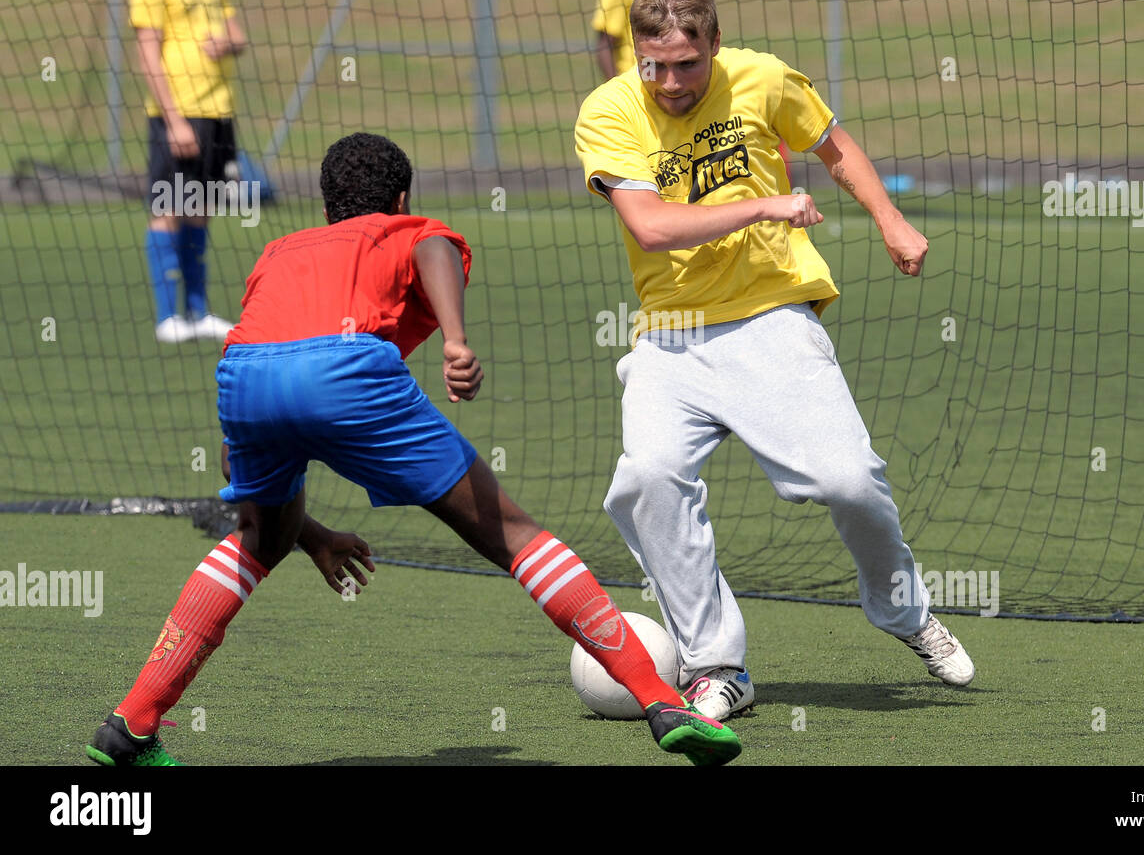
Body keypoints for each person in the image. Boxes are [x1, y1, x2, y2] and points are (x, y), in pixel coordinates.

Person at [86, 132, 741, 767]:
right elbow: (433, 245)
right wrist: (456, 341)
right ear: (400, 200)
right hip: (346, 372)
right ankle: (661, 701)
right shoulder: (405, 229)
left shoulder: (281, 251)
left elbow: (240, 454)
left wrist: (308, 536)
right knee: (512, 534)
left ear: (323, 208)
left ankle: (131, 724)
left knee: (257, 539)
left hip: (245, 378)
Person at [573, 0, 975, 722]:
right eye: (652, 64)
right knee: (648, 480)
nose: (668, 81)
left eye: (686, 64)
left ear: (715, 45)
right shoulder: (608, 110)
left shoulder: (761, 78)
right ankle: (717, 667)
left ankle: (907, 613)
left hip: (771, 315)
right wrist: (768, 203)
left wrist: (891, 222)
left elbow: (834, 145)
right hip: (671, 333)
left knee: (849, 481)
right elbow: (651, 226)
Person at [127, 0, 242, 343]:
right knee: (168, 208)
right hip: (179, 112)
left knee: (200, 210)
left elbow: (239, 35)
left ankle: (195, 313)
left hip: (217, 111)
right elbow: (147, 53)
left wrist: (226, 45)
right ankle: (166, 318)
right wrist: (174, 120)